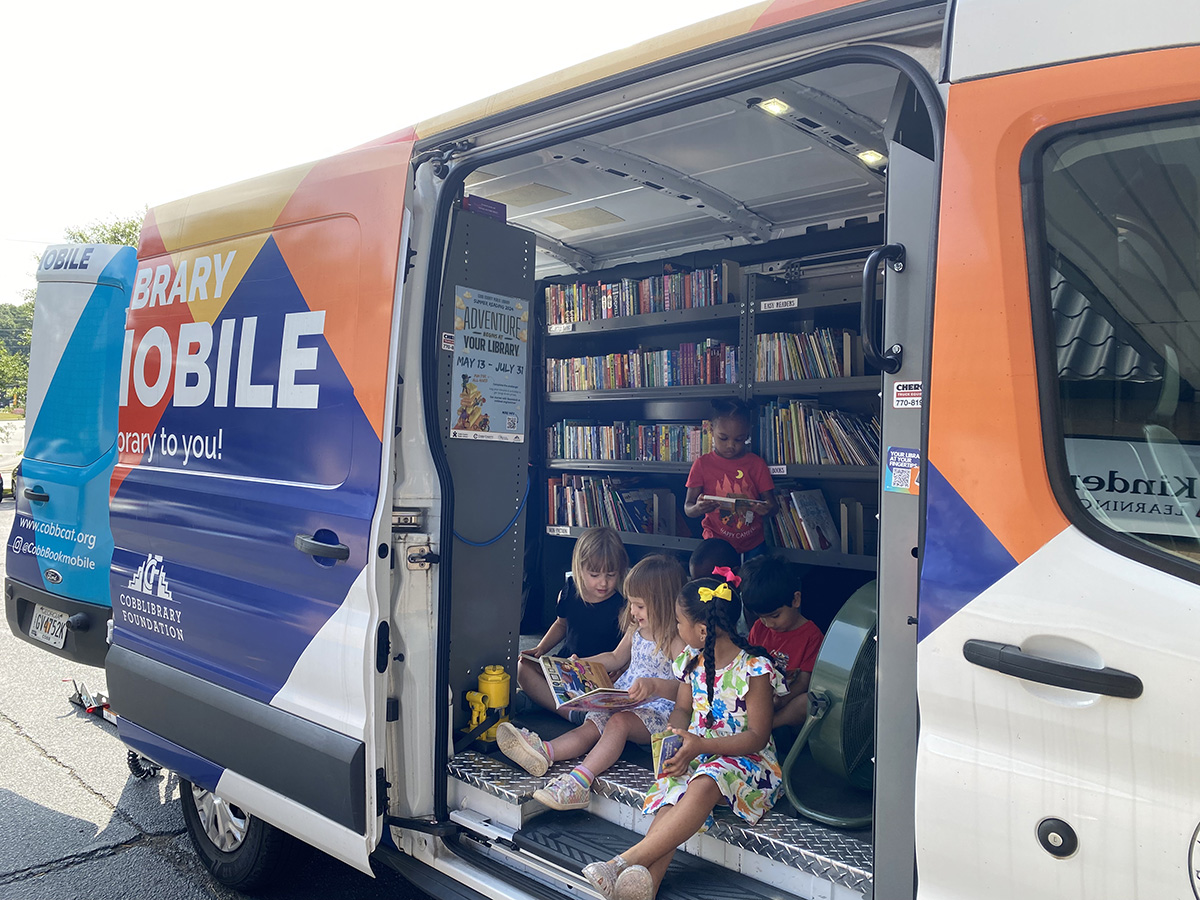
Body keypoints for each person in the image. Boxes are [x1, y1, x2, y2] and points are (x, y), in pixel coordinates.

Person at [581, 572, 785, 900]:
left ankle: (622, 862)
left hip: (748, 762)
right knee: (673, 792)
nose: (676, 628)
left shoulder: (754, 668)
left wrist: (699, 745)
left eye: (679, 622)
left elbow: (758, 736)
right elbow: (682, 711)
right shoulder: (690, 661)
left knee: (704, 781)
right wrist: (675, 738)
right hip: (698, 751)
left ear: (702, 630)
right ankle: (647, 885)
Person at [497, 555, 686, 809]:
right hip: (626, 698)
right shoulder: (637, 629)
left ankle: (579, 782)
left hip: (657, 712)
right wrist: (581, 664)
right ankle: (545, 752)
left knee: (618, 723)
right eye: (631, 604)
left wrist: (654, 686)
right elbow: (615, 657)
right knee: (593, 721)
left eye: (639, 606)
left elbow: (688, 690)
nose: (632, 611)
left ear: (661, 604)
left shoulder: (675, 641)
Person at [518, 527, 628, 719]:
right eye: (594, 575)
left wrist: (622, 669)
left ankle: (547, 703)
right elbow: (561, 625)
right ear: (579, 569)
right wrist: (541, 649)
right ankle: (567, 710)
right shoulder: (568, 592)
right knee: (522, 668)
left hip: (599, 675)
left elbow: (626, 650)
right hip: (567, 665)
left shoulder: (622, 607)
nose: (603, 583)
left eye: (611, 575)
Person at [683, 399, 777, 558]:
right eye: (723, 438)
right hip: (716, 542)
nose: (730, 446)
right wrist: (698, 508)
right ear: (712, 430)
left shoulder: (756, 464)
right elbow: (688, 507)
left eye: (739, 439)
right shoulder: (702, 465)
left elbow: (773, 507)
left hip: (753, 543)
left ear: (747, 433)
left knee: (751, 582)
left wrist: (766, 509)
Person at [739, 554, 823, 730]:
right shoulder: (758, 628)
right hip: (759, 696)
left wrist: (780, 701)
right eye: (762, 617)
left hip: (787, 702)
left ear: (795, 600)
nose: (769, 624)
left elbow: (804, 681)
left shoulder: (812, 635)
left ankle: (766, 727)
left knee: (806, 702)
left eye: (775, 616)